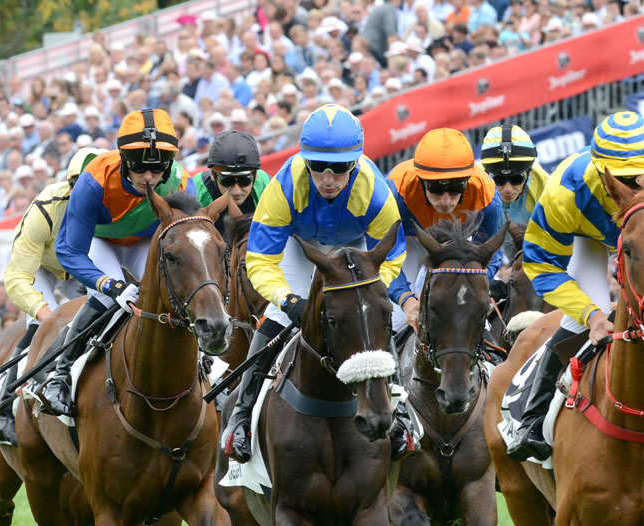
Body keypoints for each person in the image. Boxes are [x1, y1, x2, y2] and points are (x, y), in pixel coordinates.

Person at [509, 110, 644, 460]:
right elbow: (541, 262)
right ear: (601, 171)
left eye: (642, 177)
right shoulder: (566, 189)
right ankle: (533, 419)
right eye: (623, 179)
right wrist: (591, 314)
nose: (633, 188)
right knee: (581, 319)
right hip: (589, 238)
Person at [223, 103, 408, 462]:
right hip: (300, 247)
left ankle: (401, 414)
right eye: (317, 166)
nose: (327, 178)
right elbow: (260, 260)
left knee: (372, 315)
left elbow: (393, 255)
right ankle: (241, 416)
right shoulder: (283, 187)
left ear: (355, 163)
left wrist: (365, 294)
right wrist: (288, 299)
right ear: (304, 161)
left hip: (356, 248)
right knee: (278, 316)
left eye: (339, 168)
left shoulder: (375, 192)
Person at [36, 109, 194, 417]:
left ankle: (203, 360)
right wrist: (110, 285)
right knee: (108, 299)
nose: (148, 177)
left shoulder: (180, 182)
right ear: (123, 159)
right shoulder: (94, 180)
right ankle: (59, 374)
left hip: (144, 242)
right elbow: (69, 251)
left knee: (177, 289)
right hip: (103, 241)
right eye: (139, 166)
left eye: (157, 167)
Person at [0, 147, 100, 444]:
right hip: (42, 266)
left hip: (82, 268)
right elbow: (16, 277)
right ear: (69, 185)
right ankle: (3, 408)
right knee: (42, 326)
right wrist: (48, 316)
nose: (85, 194)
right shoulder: (46, 207)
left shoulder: (119, 205)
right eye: (78, 186)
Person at [385, 128, 505, 330]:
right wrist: (406, 300)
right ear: (420, 181)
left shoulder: (487, 195)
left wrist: (476, 284)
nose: (446, 201)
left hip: (459, 241)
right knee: (398, 321)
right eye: (436, 189)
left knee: (473, 316)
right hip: (409, 241)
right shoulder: (396, 190)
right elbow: (387, 257)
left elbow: (489, 254)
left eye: (455, 188)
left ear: (467, 182)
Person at [479, 124, 550, 263]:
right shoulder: (476, 183)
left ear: (530, 173)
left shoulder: (545, 186)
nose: (508, 189)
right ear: (487, 174)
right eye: (499, 180)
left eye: (517, 179)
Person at [193, 131, 271, 217]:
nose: (236, 192)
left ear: (255, 175)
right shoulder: (195, 190)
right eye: (227, 181)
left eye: (244, 180)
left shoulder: (266, 185)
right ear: (212, 175)